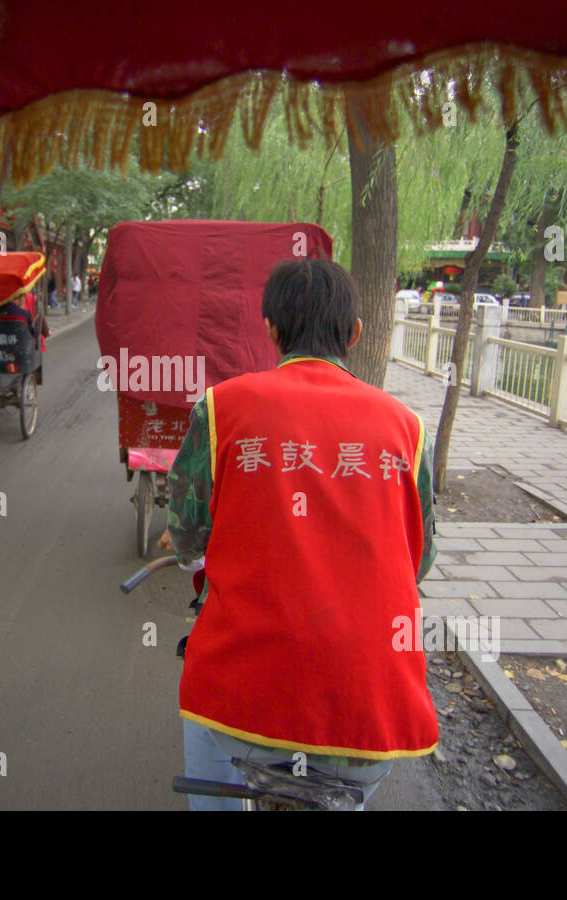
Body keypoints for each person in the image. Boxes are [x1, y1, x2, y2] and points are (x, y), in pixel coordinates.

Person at [158, 257, 438, 811]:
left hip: (242, 699)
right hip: (370, 703)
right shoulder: (406, 428)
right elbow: (420, 558)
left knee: (208, 729)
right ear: (355, 334)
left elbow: (188, 535)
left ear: (271, 330)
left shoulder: (222, 409)